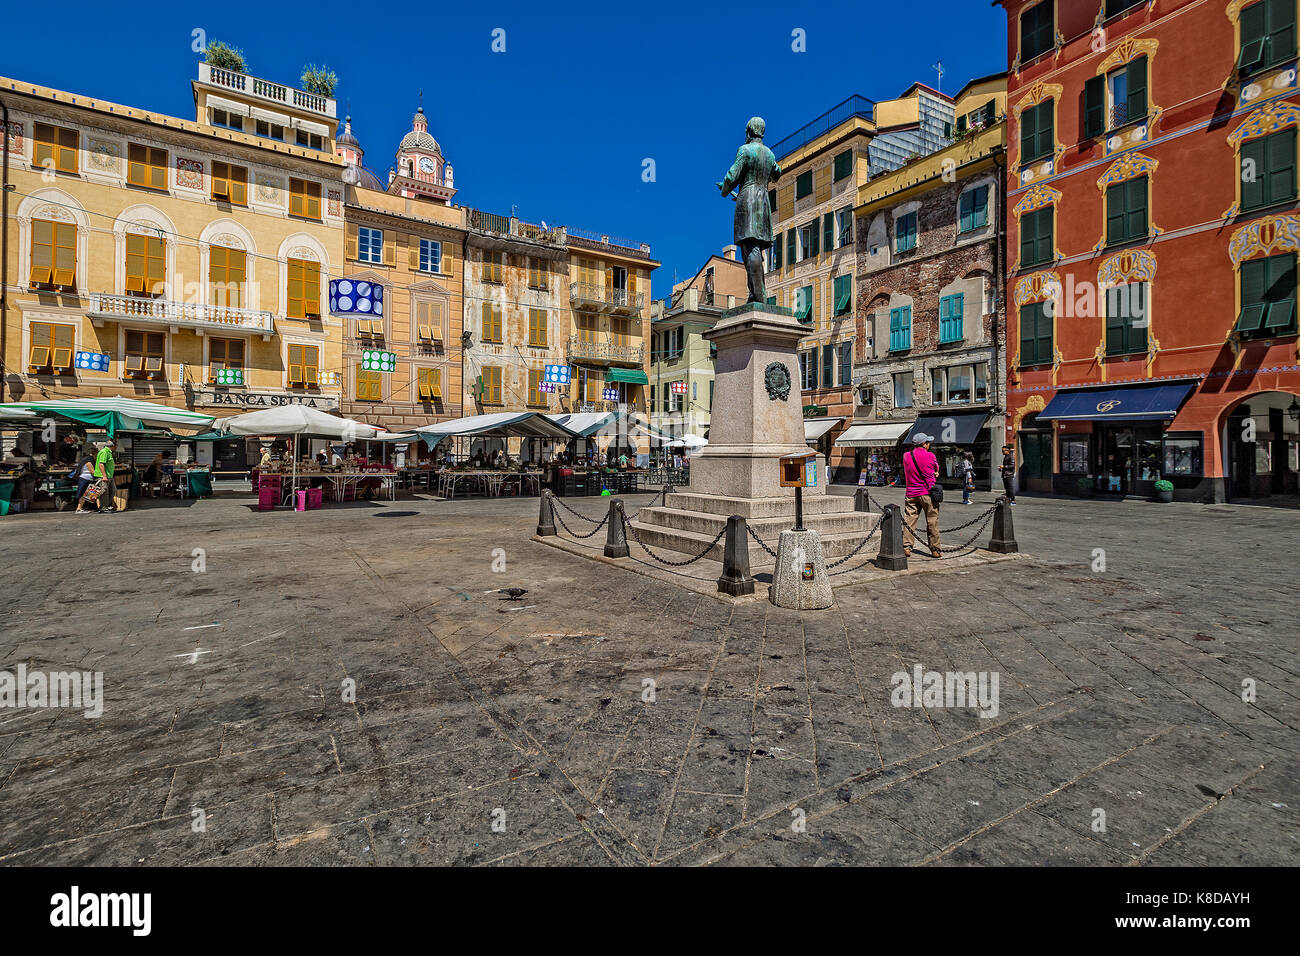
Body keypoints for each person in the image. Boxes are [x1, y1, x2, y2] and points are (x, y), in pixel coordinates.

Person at [902, 433, 941, 558]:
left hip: (911, 493)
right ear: (924, 444)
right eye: (928, 443)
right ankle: (935, 549)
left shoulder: (906, 456)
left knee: (909, 520)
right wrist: (935, 474)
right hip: (927, 493)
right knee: (932, 521)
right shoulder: (930, 455)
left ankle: (907, 547)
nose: (929, 445)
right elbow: (936, 468)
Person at [92, 438, 118, 513]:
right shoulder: (104, 452)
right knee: (104, 491)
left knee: (112, 490)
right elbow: (101, 464)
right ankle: (103, 507)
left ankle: (105, 506)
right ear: (112, 446)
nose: (116, 447)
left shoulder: (108, 452)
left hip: (109, 476)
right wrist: (104, 476)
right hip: (103, 476)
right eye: (116, 446)